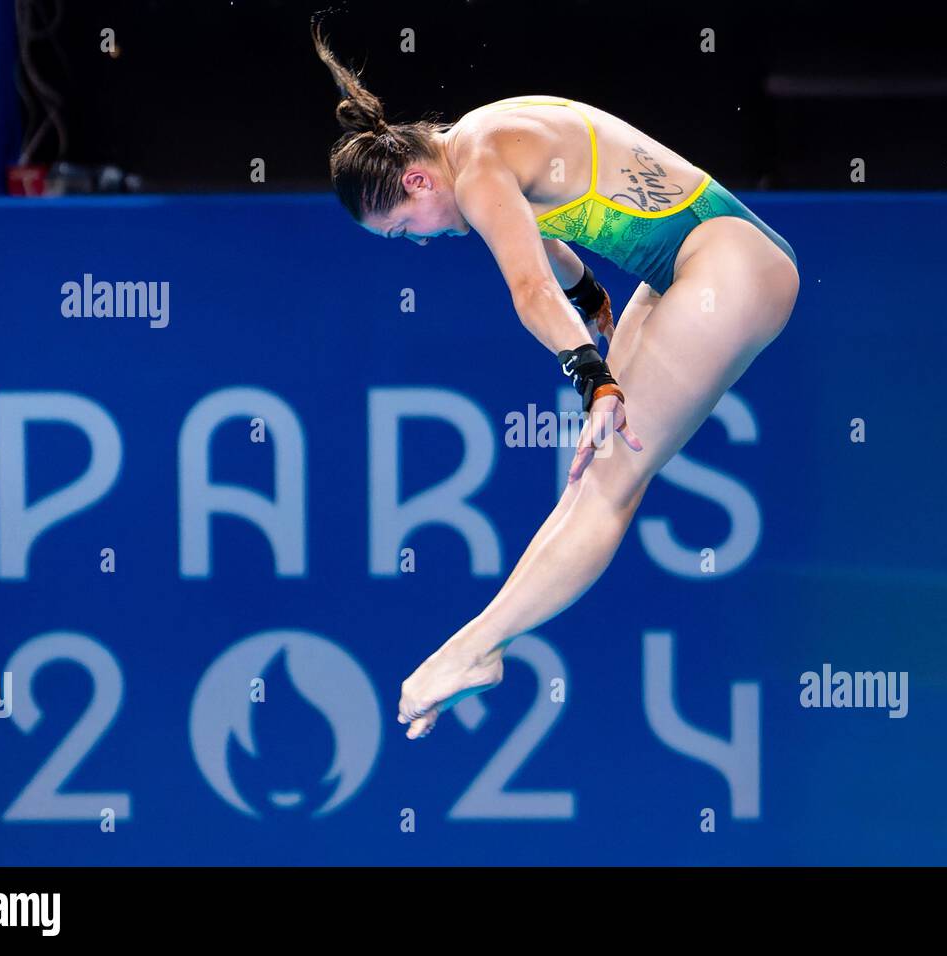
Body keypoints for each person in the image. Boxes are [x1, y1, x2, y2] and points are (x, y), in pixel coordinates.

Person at [312, 16, 800, 739]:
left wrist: (592, 377)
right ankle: (481, 645)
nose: (424, 241)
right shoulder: (482, 136)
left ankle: (472, 648)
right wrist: (594, 301)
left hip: (729, 262)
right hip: (694, 263)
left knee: (610, 481)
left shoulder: (476, 165)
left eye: (406, 228)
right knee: (591, 482)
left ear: (416, 179)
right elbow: (556, 246)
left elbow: (529, 288)